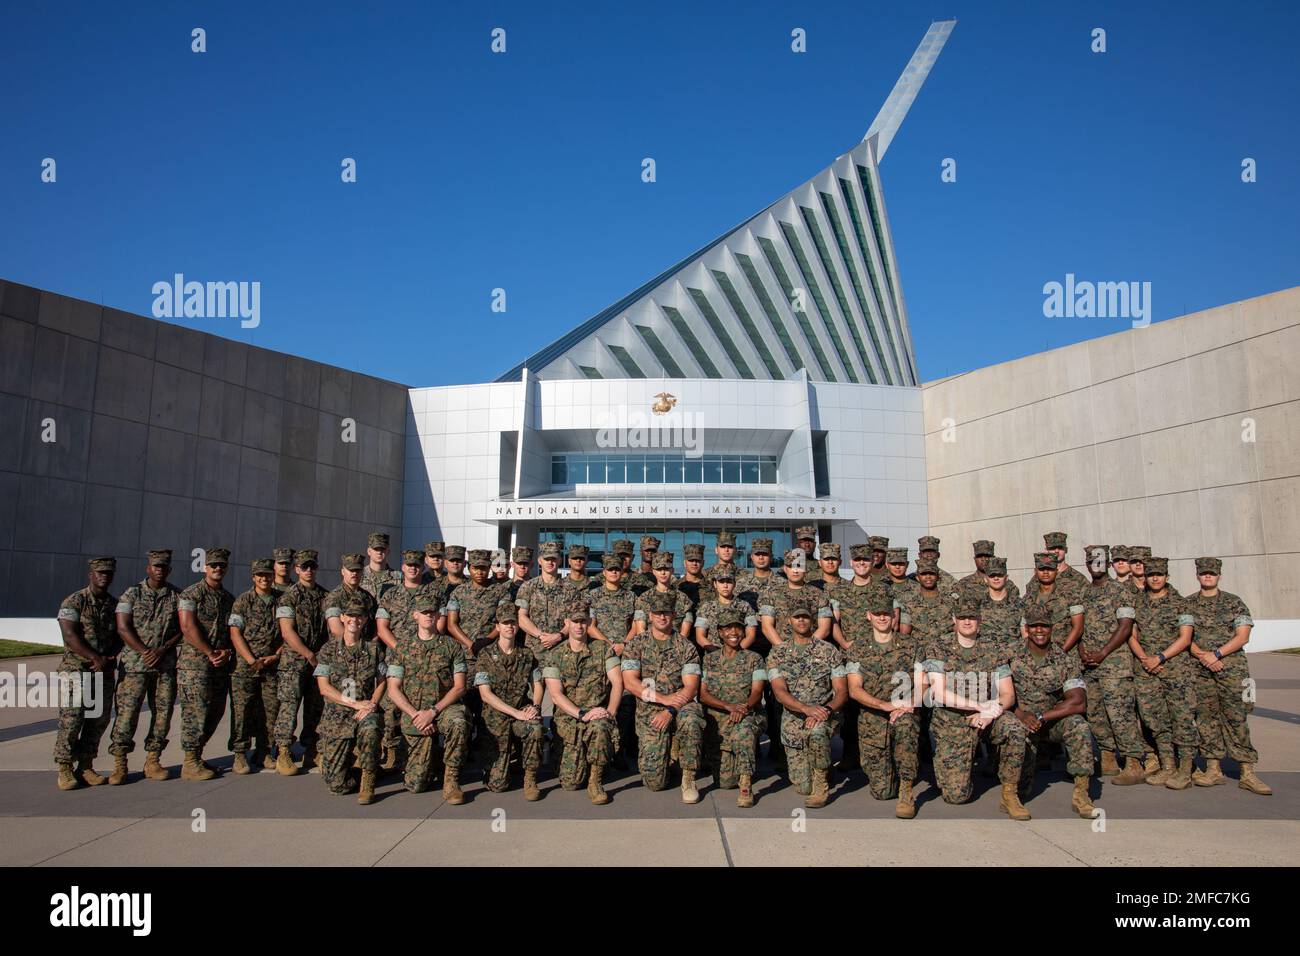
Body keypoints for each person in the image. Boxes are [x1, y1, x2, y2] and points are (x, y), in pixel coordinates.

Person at [922, 599, 1028, 819]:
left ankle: (1010, 793)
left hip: (988, 716)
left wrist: (989, 713)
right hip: (952, 721)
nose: (967, 621)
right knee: (956, 796)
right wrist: (980, 706)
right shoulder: (938, 647)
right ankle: (955, 765)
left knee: (1014, 729)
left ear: (980, 620)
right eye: (962, 617)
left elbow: (1008, 693)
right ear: (954, 620)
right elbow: (939, 693)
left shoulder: (993, 649)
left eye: (971, 617)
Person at [1187, 557, 1271, 795]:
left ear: (1219, 576)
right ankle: (1213, 769)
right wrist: (1203, 656)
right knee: (1205, 718)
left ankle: (1247, 771)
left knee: (1237, 718)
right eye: (1204, 573)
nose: (1207, 576)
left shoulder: (1234, 603)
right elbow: (1185, 637)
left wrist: (1215, 654)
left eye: (1211, 573)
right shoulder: (1188, 604)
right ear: (1198, 576)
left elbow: (1242, 636)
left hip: (1231, 669)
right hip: (1201, 670)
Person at [1010, 605, 1096, 819]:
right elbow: (999, 693)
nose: (1039, 630)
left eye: (1044, 626)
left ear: (1052, 628)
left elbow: (1077, 702)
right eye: (1034, 626)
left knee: (1078, 725)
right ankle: (1010, 792)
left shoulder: (1065, 659)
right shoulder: (1009, 653)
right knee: (1024, 789)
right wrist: (1022, 715)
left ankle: (1081, 794)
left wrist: (1042, 717)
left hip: (1050, 722)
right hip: (1019, 720)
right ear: (1027, 629)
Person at [621, 591, 706, 803]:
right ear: (649, 616)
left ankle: (688, 777)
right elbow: (630, 682)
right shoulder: (636, 644)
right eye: (657, 613)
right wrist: (663, 699)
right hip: (650, 710)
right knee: (654, 783)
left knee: (692, 719)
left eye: (666, 613)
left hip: (680, 707)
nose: (662, 617)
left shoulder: (686, 646)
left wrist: (670, 708)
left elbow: (691, 687)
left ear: (674, 614)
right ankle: (668, 752)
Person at [385, 594, 470, 803]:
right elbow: (393, 689)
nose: (429, 616)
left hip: (443, 709)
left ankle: (451, 779)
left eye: (432, 612)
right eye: (424, 612)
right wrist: (417, 715)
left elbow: (459, 687)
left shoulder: (452, 647)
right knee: (415, 785)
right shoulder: (402, 648)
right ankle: (431, 758)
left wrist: (432, 712)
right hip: (414, 713)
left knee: (459, 722)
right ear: (415, 615)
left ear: (439, 615)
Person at [845, 592, 922, 818]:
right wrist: (884, 705)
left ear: (893, 616)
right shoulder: (858, 648)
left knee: (906, 727)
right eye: (877, 614)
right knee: (881, 792)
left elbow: (923, 683)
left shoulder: (911, 645)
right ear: (869, 616)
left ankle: (907, 789)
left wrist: (908, 703)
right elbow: (854, 689)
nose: (882, 618)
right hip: (873, 718)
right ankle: (892, 780)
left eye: (886, 614)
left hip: (905, 712)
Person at [767, 596, 848, 807]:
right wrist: (806, 709)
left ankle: (821, 784)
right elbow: (779, 691)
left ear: (813, 620)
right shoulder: (777, 653)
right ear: (789, 621)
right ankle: (822, 767)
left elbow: (841, 692)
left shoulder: (829, 651)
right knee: (802, 787)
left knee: (818, 732)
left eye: (805, 617)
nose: (801, 621)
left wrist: (825, 710)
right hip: (794, 720)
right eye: (797, 617)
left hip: (824, 715)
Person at [110, 549, 181, 784]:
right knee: (127, 714)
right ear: (148, 568)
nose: (159, 570)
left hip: (164, 666)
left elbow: (182, 629)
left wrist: (161, 650)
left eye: (164, 567)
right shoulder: (131, 595)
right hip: (134, 666)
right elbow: (123, 627)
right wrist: (144, 651)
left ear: (169, 570)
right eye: (156, 566)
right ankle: (120, 763)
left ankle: (153, 760)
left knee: (162, 714)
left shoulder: (176, 596)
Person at [1077, 546, 1145, 785]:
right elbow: (1078, 627)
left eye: (1099, 561)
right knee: (1095, 713)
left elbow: (1125, 626)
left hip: (1114, 664)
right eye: (1091, 562)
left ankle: (1133, 762)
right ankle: (1107, 756)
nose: (1095, 566)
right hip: (1089, 665)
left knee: (1120, 714)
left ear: (1106, 563)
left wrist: (1103, 652)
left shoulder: (1120, 591)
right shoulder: (1083, 593)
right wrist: (1083, 652)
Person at [543, 600, 622, 804]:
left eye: (583, 621)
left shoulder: (603, 650)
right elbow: (555, 695)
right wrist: (581, 714)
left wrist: (610, 712)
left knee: (600, 725)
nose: (579, 626)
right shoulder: (554, 655)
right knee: (570, 783)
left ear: (589, 622)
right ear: (566, 622)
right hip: (569, 720)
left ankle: (596, 780)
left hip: (597, 715)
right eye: (575, 621)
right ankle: (571, 754)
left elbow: (617, 683)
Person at [1129, 557, 1197, 789]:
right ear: (1145, 577)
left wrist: (1160, 657)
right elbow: (1131, 634)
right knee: (1154, 718)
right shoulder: (1137, 602)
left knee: (1181, 717)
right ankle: (1167, 765)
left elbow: (1185, 637)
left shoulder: (1181, 603)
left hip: (1175, 670)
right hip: (1146, 670)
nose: (1155, 578)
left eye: (1159, 574)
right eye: (1151, 574)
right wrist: (1144, 659)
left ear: (1167, 577)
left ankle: (1185, 768)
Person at [54, 557, 120, 790]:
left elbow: (120, 634)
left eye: (109, 573)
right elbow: (70, 636)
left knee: (98, 720)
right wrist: (95, 658)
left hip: (102, 672)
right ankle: (64, 768)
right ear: (90, 574)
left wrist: (109, 657)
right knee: (72, 720)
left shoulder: (114, 604)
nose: (104, 575)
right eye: (100, 572)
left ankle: (86, 765)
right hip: (76, 670)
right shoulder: (74, 601)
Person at [314, 598, 386, 804]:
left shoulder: (373, 650)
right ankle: (352, 766)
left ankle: (368, 779)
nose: (355, 619)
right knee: (336, 785)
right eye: (351, 615)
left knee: (372, 728)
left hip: (365, 710)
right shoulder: (328, 650)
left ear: (365, 620)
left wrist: (372, 703)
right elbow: (324, 687)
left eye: (360, 616)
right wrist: (354, 704)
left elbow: (382, 681)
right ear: (343, 618)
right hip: (337, 715)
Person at [473, 604, 544, 800]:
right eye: (505, 623)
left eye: (513, 622)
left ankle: (530, 778)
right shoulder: (485, 655)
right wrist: (516, 713)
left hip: (521, 710)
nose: (509, 627)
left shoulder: (527, 654)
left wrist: (535, 707)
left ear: (518, 626)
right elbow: (485, 695)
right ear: (497, 626)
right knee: (498, 785)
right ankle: (502, 765)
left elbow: (537, 684)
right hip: (495, 717)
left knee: (535, 728)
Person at [177, 548, 235, 781]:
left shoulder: (228, 598)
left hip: (219, 664)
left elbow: (232, 630)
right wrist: (210, 652)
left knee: (216, 711)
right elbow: (187, 628)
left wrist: (227, 651)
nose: (218, 569)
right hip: (196, 665)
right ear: (205, 567)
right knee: (195, 713)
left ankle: (197, 756)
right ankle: (190, 762)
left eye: (221, 565)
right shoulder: (191, 594)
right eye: (213, 565)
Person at [700, 607, 767, 808]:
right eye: (728, 628)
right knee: (726, 782)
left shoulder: (755, 659)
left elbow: (758, 692)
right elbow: (702, 694)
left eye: (738, 628)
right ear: (719, 632)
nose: (734, 633)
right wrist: (729, 707)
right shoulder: (709, 660)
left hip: (747, 715)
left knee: (744, 731)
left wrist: (743, 708)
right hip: (719, 720)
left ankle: (746, 785)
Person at [274, 549, 331, 775]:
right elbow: (287, 632)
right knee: (289, 707)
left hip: (318, 662)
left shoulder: (325, 596)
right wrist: (308, 654)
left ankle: (312, 750)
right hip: (294, 662)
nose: (308, 570)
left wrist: (320, 657)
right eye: (304, 567)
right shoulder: (288, 597)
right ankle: (284, 751)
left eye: (312, 566)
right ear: (297, 569)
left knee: (315, 707)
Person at [227, 559, 283, 775]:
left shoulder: (281, 600)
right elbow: (235, 633)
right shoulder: (243, 601)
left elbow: (287, 632)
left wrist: (274, 656)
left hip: (271, 666)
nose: (264, 578)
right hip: (245, 667)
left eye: (268, 574)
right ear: (253, 577)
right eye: (260, 575)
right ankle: (240, 754)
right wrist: (252, 660)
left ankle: (265, 752)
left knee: (271, 711)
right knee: (242, 711)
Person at [693, 568, 758, 653]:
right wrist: (717, 654)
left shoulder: (745, 606)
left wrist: (734, 652)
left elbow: (751, 636)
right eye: (721, 582)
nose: (725, 585)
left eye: (729, 582)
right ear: (715, 584)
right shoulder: (706, 608)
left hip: (740, 656)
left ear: (734, 584)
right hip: (713, 656)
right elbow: (700, 637)